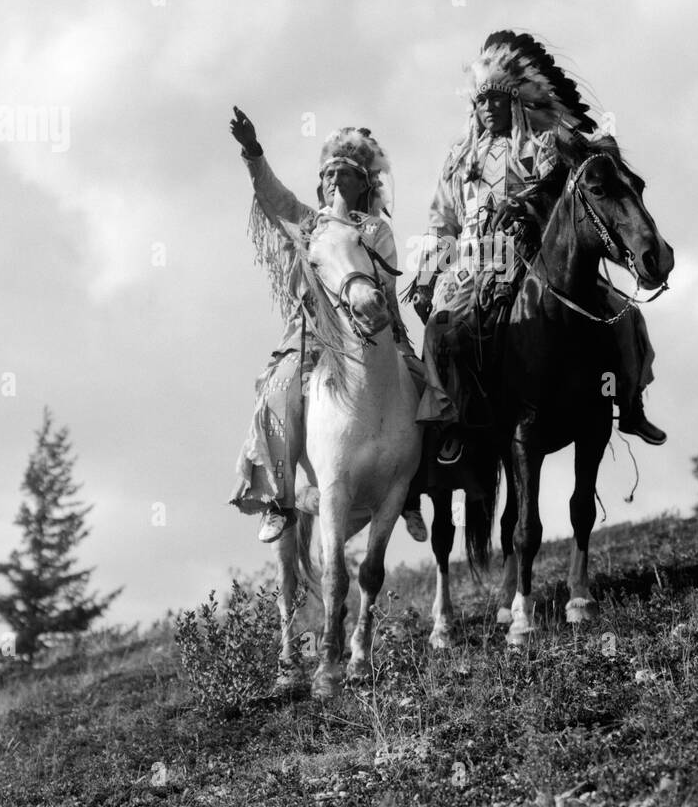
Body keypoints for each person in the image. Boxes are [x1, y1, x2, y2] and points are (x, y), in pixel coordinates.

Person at [411, 31, 666, 461]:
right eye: (481, 101)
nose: (488, 109)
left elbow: (564, 198)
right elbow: (442, 221)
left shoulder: (540, 148)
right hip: (472, 267)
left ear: (515, 103)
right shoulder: (458, 160)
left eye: (497, 100)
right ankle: (453, 418)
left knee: (628, 316)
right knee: (440, 330)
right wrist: (425, 275)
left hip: (536, 257)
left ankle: (631, 404)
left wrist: (525, 206)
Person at [228, 107, 428, 543]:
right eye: (327, 175)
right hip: (312, 337)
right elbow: (274, 197)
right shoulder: (306, 223)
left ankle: (411, 490)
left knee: (425, 389)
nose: (334, 181)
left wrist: (398, 339)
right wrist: (253, 152)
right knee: (279, 391)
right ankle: (280, 499)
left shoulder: (375, 230)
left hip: (373, 328)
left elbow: (385, 291)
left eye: (345, 174)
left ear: (364, 185)